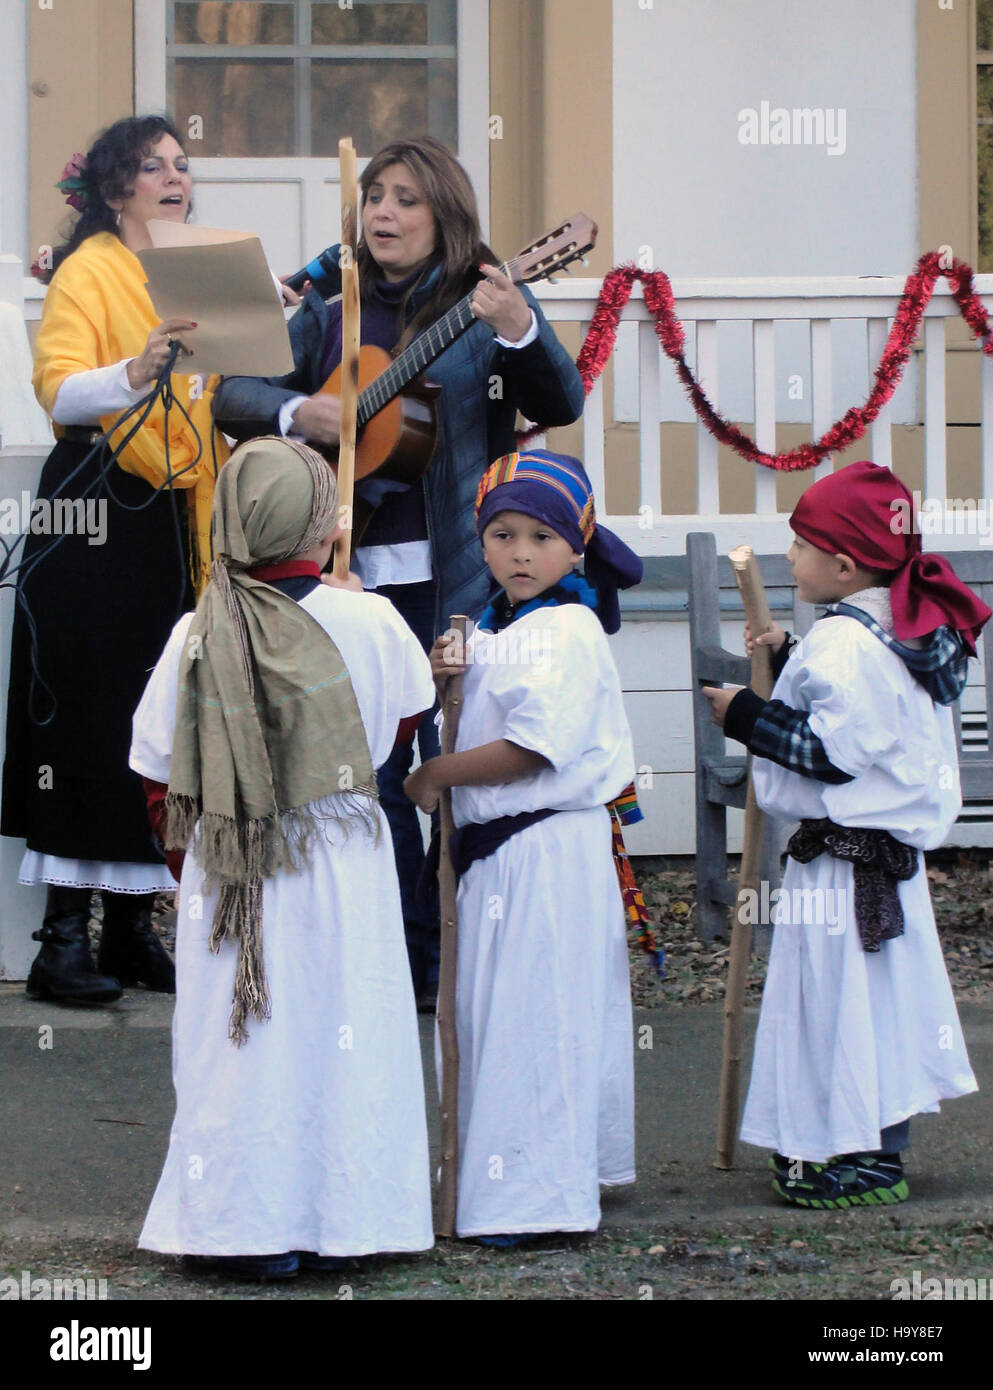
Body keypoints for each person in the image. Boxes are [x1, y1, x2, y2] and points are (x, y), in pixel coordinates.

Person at [213, 136, 585, 1010]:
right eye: (375, 195)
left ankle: (449, 957)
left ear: (444, 213)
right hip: (342, 577)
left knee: (445, 763)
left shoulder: (485, 300)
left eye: (406, 198)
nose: (384, 211)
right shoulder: (330, 311)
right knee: (367, 776)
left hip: (454, 574)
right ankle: (393, 960)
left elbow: (560, 401)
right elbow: (233, 392)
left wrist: (518, 328)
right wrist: (299, 407)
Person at [130, 436, 436, 1277]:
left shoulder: (198, 629)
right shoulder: (370, 618)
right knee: (343, 1038)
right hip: (341, 858)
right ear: (321, 524)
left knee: (241, 1049)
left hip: (232, 873)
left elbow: (155, 773)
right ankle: (350, 1220)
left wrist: (196, 867)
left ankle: (243, 1229)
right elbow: (405, 725)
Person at [702, 460, 989, 1208]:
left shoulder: (842, 642)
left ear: (842, 562)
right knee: (879, 1009)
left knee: (837, 1007)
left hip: (842, 862)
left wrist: (744, 715)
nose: (788, 558)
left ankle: (857, 1157)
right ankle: (860, 1143)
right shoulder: (902, 624)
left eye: (799, 546)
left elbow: (833, 750)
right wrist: (786, 662)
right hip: (889, 862)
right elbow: (871, 713)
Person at [2, 116, 231, 1004]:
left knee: (157, 708)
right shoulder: (87, 270)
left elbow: (227, 385)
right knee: (88, 712)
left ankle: (134, 931)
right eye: (151, 166)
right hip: (94, 502)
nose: (174, 178)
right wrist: (137, 372)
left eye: (182, 164)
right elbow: (58, 386)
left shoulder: (200, 269)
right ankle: (60, 944)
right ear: (112, 189)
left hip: (175, 505)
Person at [403, 449, 645, 1242]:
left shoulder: (567, 629)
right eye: (501, 535)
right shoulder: (506, 628)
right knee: (505, 1017)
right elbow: (488, 713)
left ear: (576, 546)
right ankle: (526, 1175)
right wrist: (450, 688)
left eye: (540, 537)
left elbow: (535, 747)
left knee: (531, 1022)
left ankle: (530, 1198)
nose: (518, 553)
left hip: (543, 855)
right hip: (501, 858)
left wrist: (437, 773)